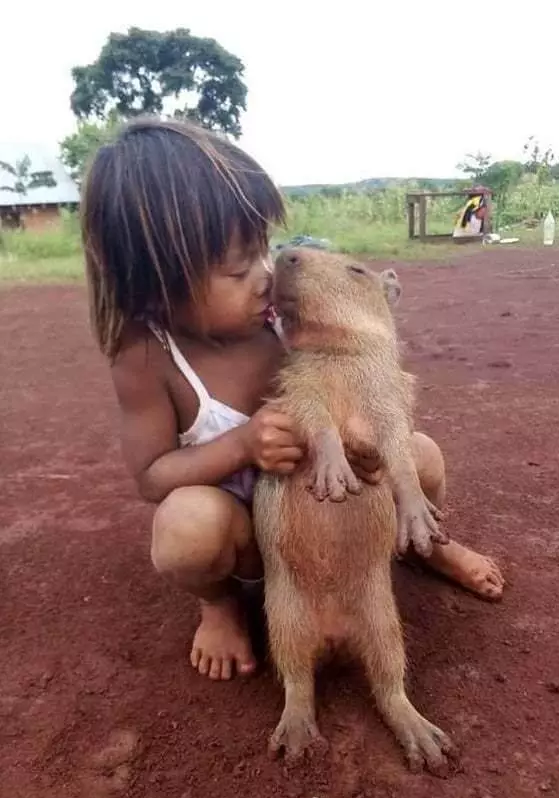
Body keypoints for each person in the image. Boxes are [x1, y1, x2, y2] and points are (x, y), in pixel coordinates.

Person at [80, 117, 504, 682]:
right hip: (258, 539)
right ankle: (220, 606)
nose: (264, 277)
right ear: (154, 290)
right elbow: (153, 478)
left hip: (336, 507)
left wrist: (365, 441)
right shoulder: (146, 358)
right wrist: (243, 445)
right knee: (186, 528)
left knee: (420, 453)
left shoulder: (286, 320)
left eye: (265, 251)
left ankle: (423, 543)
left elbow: (367, 383)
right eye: (238, 268)